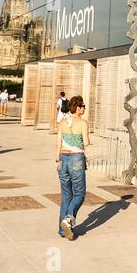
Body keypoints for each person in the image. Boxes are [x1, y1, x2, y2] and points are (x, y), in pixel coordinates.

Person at [55, 95, 89, 240]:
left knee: (66, 195)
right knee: (80, 194)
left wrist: (57, 159)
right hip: (76, 158)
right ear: (78, 108)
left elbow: (58, 144)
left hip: (62, 159)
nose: (84, 109)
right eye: (83, 107)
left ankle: (63, 230)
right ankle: (68, 220)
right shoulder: (82, 123)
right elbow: (86, 143)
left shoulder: (62, 122)